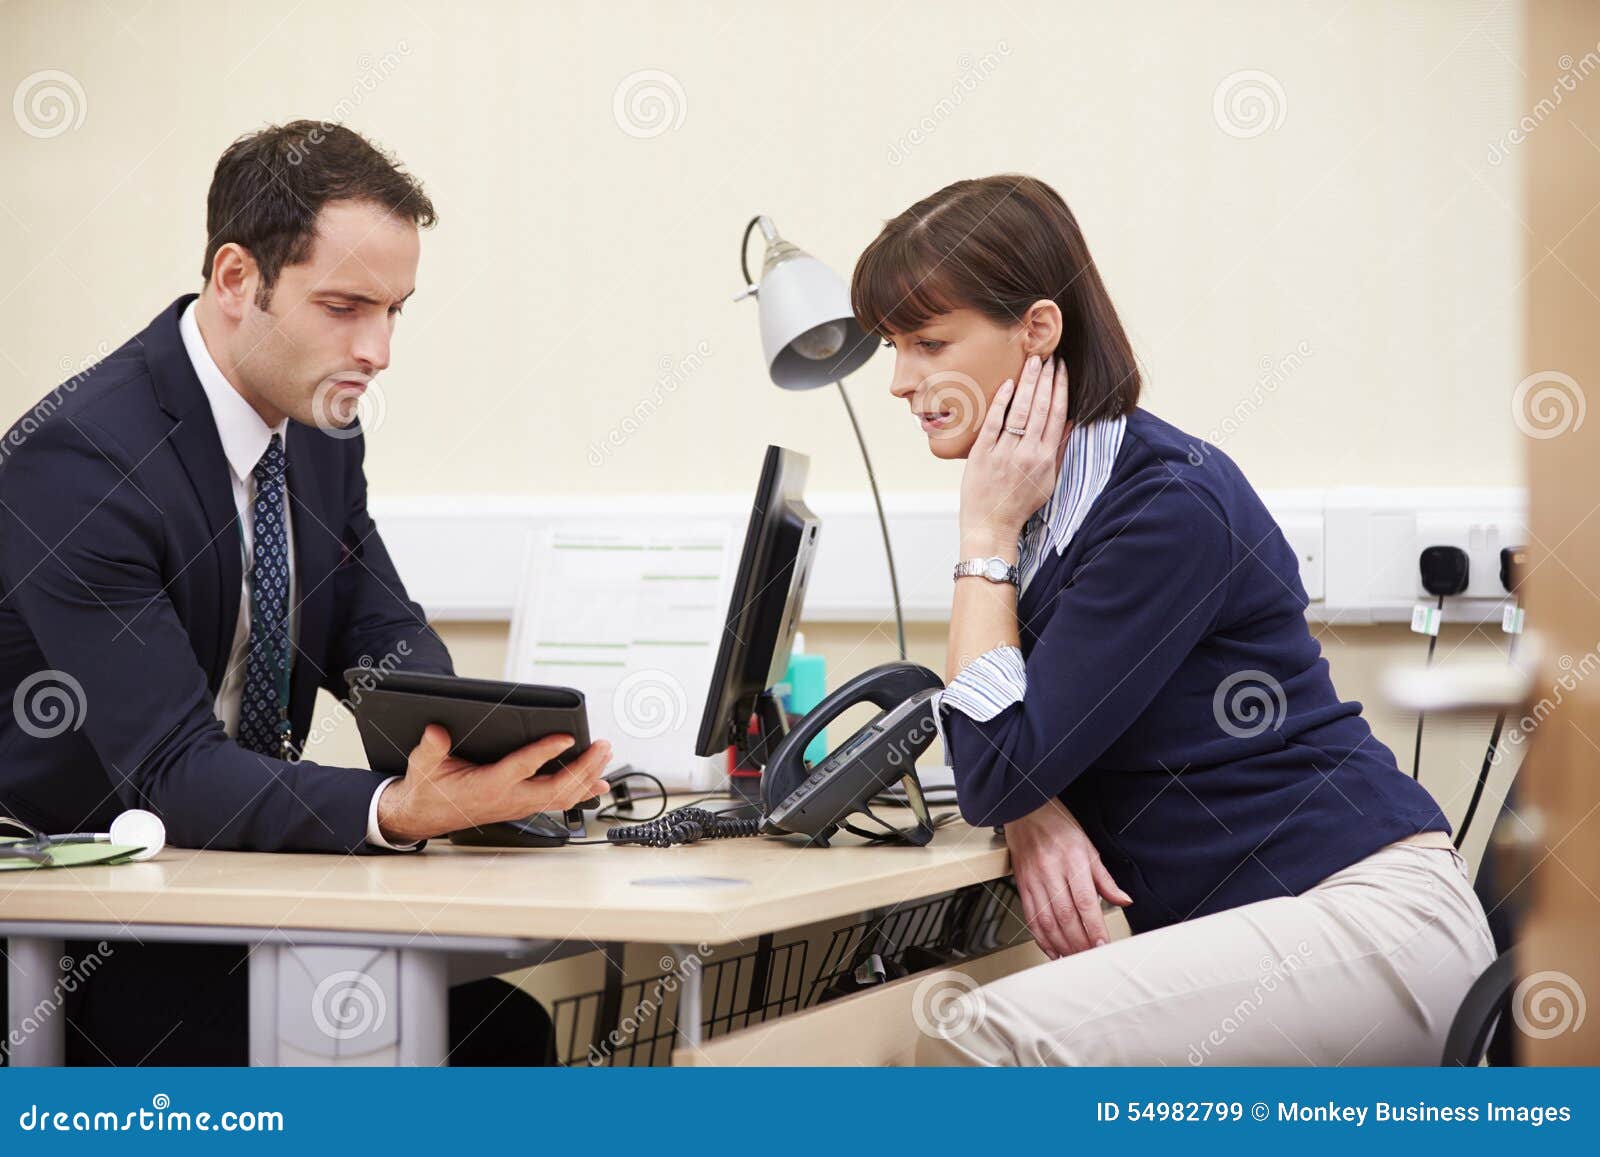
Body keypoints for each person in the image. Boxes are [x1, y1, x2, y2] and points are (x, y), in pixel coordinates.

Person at [0, 121, 611, 1065]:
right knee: (474, 1044)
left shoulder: (318, 426)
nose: (379, 349)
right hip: (75, 935)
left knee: (500, 1029)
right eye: (345, 306)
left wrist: (482, 754)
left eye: (395, 310)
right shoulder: (79, 460)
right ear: (236, 278)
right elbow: (170, 769)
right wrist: (394, 807)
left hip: (217, 894)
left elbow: (380, 634)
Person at [851, 174, 1496, 1065]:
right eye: (893, 347)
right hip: (1296, 923)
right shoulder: (1048, 510)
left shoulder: (1164, 507)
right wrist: (1036, 801)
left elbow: (994, 769)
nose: (900, 382)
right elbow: (1004, 757)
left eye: (928, 342)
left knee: (981, 1038)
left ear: (1037, 330)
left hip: (1375, 921)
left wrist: (984, 537)